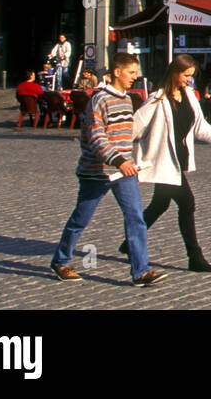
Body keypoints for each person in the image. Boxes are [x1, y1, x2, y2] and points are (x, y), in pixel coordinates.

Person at [49, 52, 165, 285]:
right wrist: (117, 160)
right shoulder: (99, 99)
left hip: (123, 172)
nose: (135, 77)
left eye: (136, 72)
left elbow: (127, 134)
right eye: (131, 72)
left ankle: (140, 272)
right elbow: (96, 135)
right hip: (97, 172)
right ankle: (61, 261)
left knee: (135, 217)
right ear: (117, 72)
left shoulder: (127, 99)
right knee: (80, 219)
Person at [129, 54, 211, 272]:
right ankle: (195, 257)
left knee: (160, 204)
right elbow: (134, 127)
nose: (189, 80)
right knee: (188, 203)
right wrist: (111, 146)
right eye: (186, 75)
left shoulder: (190, 96)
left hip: (179, 160)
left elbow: (199, 125)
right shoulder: (157, 99)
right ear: (174, 72)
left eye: (191, 76)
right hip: (163, 163)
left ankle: (130, 243)